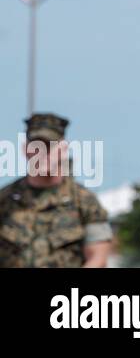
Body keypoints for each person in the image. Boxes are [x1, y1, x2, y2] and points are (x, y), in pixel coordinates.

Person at [0, 113, 111, 268]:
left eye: (49, 146)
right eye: (36, 146)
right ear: (25, 149)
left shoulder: (84, 202)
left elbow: (98, 259)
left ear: (63, 148)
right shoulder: (5, 199)